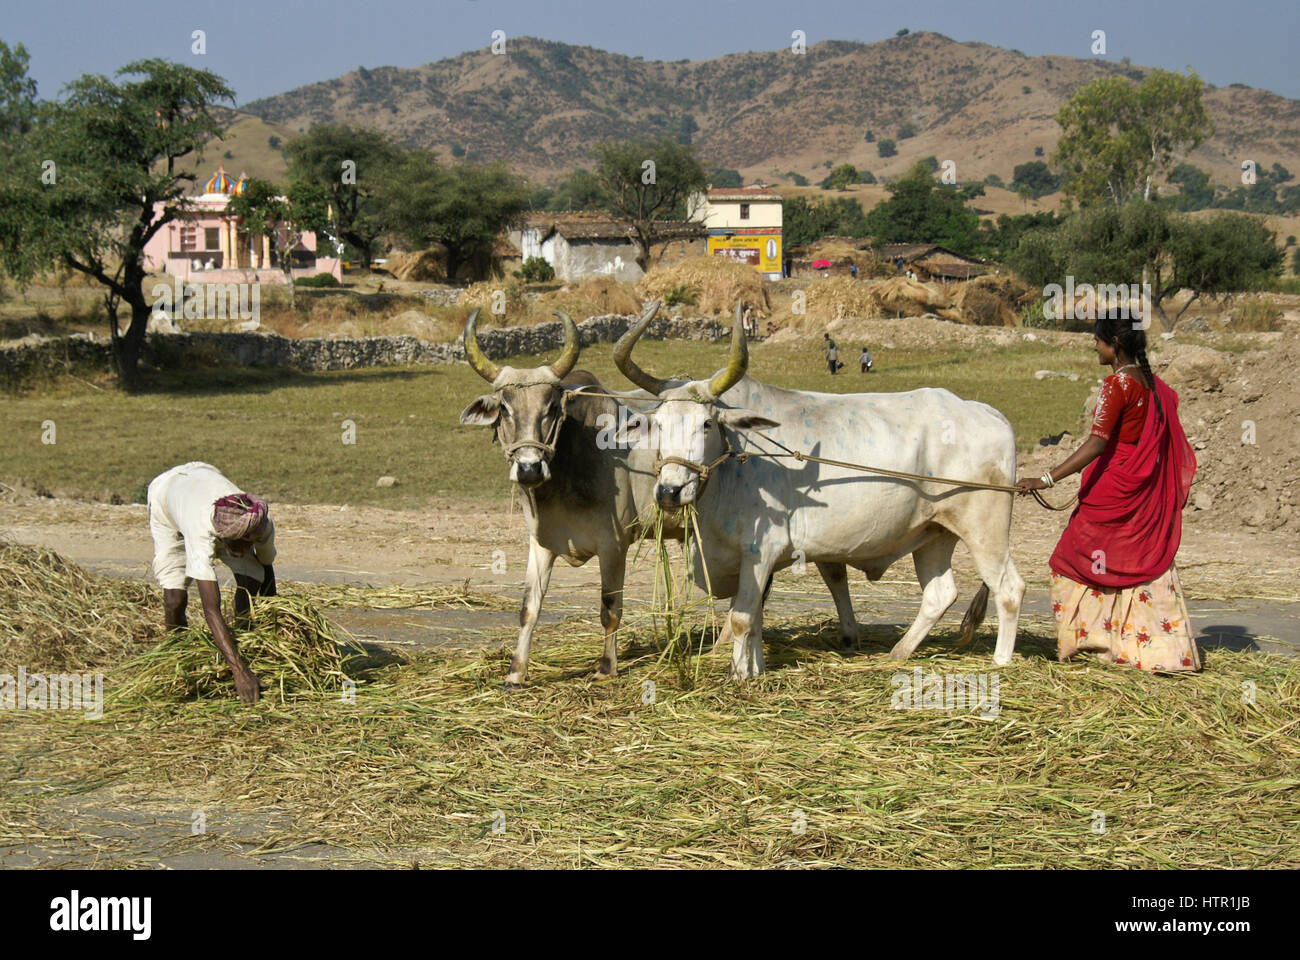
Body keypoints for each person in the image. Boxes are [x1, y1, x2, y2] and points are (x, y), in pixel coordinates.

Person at [1015, 313, 1198, 672]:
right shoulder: (1151, 383)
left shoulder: (1117, 385)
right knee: (1135, 562)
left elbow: (1098, 442)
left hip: (1113, 488)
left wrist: (1046, 479)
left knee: (1071, 560)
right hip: (1139, 487)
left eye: (1097, 340)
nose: (1093, 346)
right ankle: (1151, 652)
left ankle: (1095, 644)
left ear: (1114, 344)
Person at [147, 462, 278, 702]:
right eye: (234, 548)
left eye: (245, 546)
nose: (240, 553)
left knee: (251, 580)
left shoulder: (258, 523)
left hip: (205, 476)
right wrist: (240, 672)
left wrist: (275, 627)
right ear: (222, 537)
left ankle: (241, 637)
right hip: (167, 499)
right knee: (174, 599)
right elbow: (210, 608)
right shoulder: (201, 531)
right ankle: (177, 657)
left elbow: (266, 567)